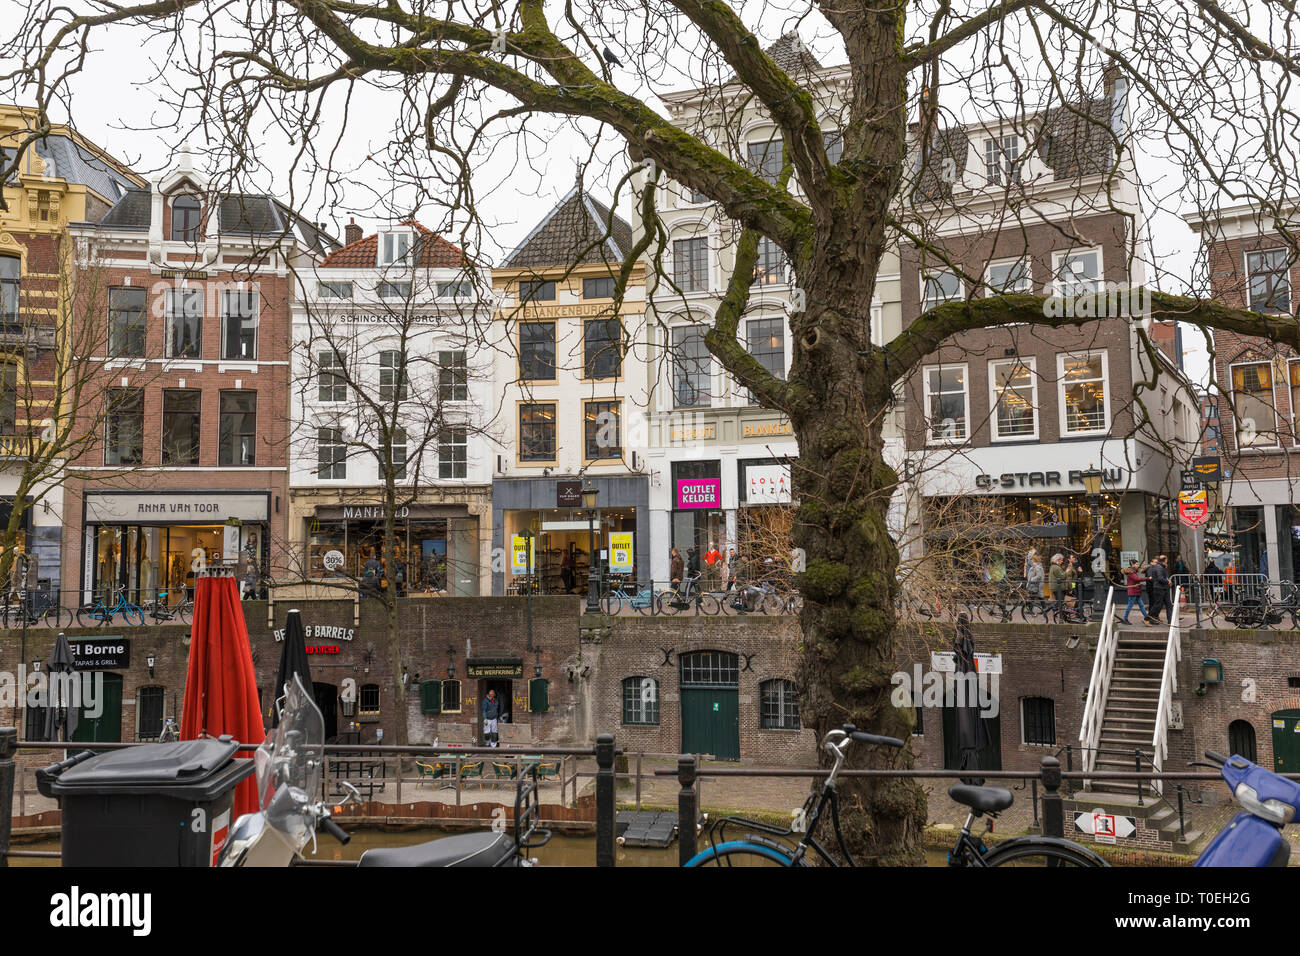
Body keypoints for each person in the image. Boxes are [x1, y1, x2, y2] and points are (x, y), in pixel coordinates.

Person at [1121, 559, 1149, 624]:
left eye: (1138, 564)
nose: (1138, 565)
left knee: (1141, 606)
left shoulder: (1134, 572)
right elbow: (1137, 579)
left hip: (1136, 591)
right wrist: (1147, 578)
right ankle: (1125, 619)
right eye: (1136, 564)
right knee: (1130, 606)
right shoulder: (1131, 573)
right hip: (1133, 592)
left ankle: (1146, 618)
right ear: (1132, 564)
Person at [1147, 554, 1171, 624]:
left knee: (1167, 604)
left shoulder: (1161, 567)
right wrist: (1167, 581)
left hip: (1162, 588)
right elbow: (1158, 578)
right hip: (1158, 588)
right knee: (1157, 605)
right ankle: (1148, 618)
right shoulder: (1158, 567)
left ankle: (1170, 620)